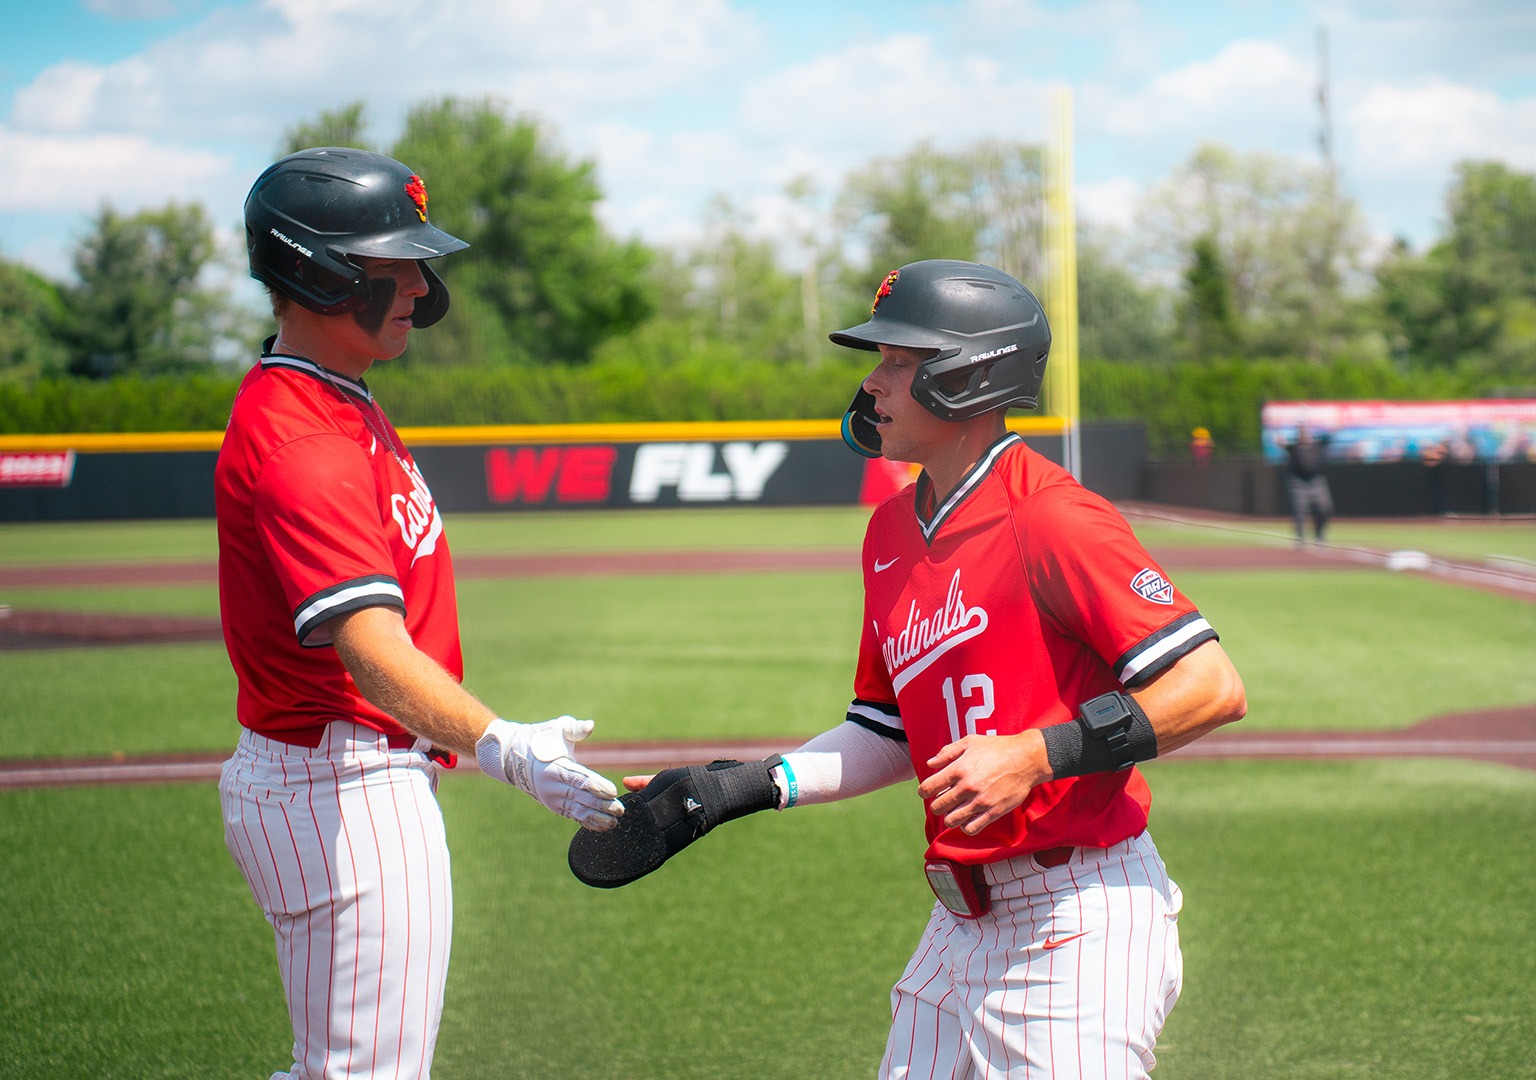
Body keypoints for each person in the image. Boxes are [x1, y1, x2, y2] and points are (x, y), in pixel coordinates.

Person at [612, 260, 1246, 1078]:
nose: (873, 382)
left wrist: (1036, 754)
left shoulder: (1052, 516)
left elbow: (1210, 688)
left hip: (1078, 915)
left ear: (968, 375)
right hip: (961, 926)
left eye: (898, 362)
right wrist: (734, 789)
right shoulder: (889, 531)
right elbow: (886, 730)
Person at [216, 147, 624, 1080]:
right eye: (391, 262)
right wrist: (504, 744)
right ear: (317, 268)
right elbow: (369, 649)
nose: (419, 284)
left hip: (340, 778)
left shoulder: (338, 402)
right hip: (344, 787)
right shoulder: (305, 439)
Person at [1283, 425, 1334, 544]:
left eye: (1306, 433)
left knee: (1325, 507)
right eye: (1302, 433)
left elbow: (1330, 436)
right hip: (1298, 482)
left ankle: (1319, 534)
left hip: (1316, 481)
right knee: (1300, 510)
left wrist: (1336, 426)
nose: (1305, 435)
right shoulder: (1294, 447)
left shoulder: (1317, 445)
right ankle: (1300, 538)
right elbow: (1281, 443)